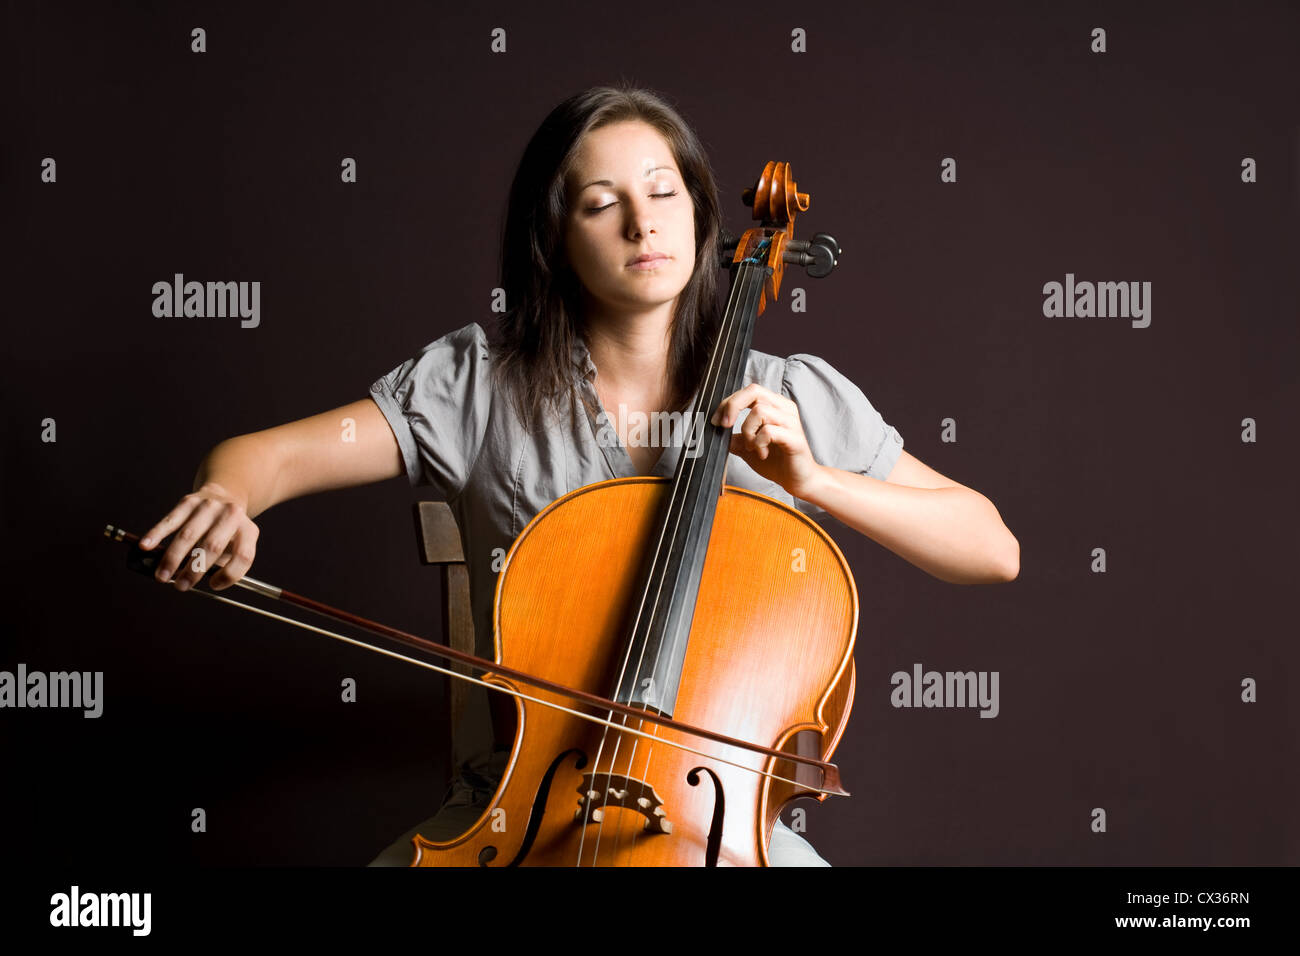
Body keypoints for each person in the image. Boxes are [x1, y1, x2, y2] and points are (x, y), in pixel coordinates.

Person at [140, 84, 1019, 867]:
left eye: (664, 193)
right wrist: (227, 497)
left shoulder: (791, 396)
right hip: (514, 818)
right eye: (602, 204)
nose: (643, 224)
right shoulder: (479, 387)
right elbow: (269, 456)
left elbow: (990, 547)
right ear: (554, 240)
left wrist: (816, 478)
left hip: (720, 829)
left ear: (703, 214)